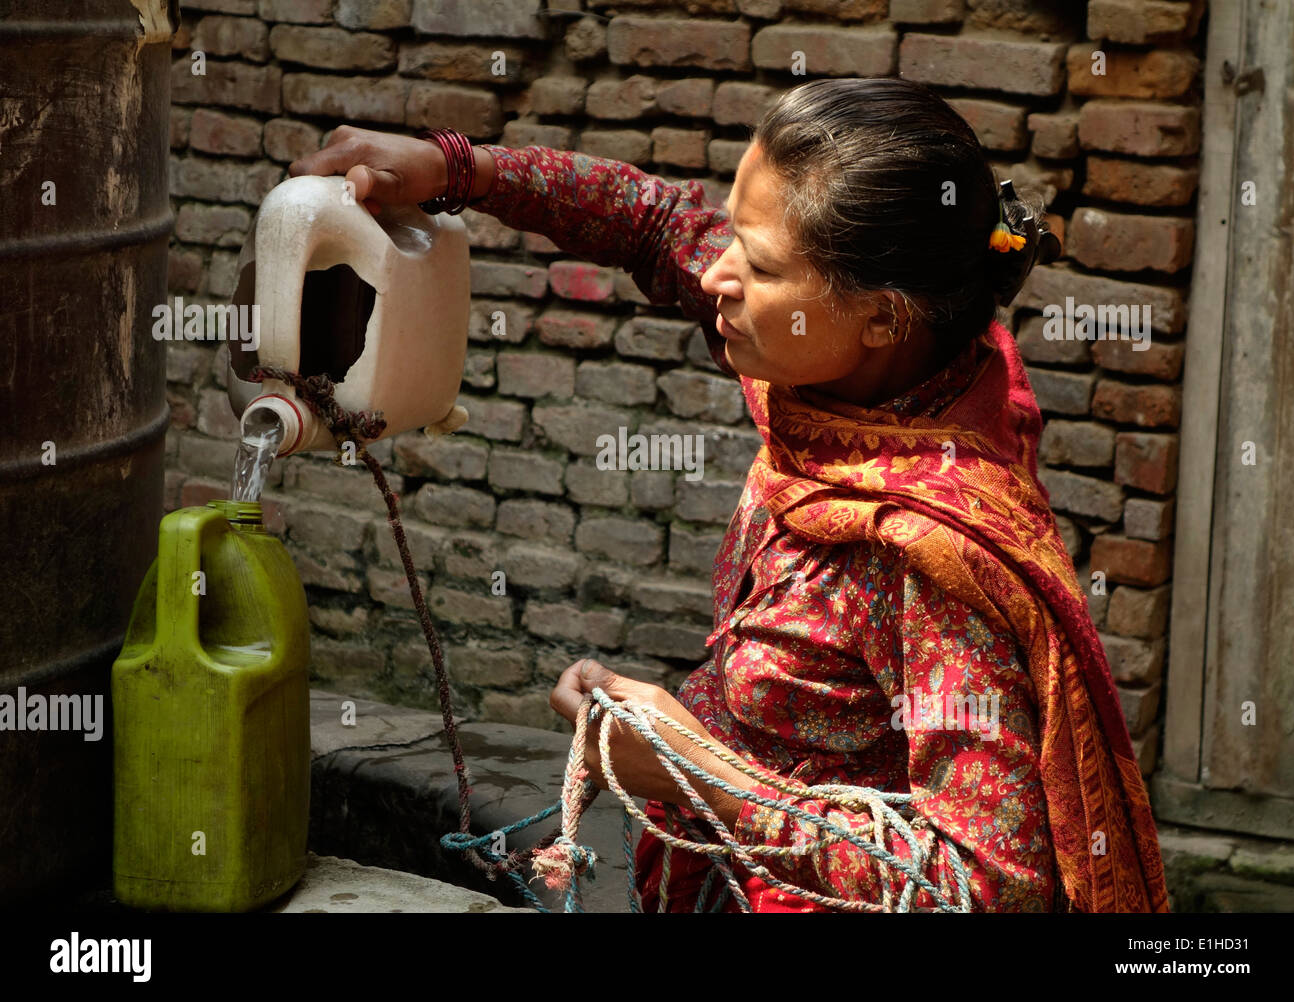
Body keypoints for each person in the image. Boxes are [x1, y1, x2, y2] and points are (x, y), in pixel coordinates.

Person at [289, 76, 1168, 913]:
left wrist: (695, 771)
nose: (717, 275)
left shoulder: (932, 565)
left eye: (761, 262)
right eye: (736, 238)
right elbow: (653, 223)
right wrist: (456, 168)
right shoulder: (837, 385)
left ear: (882, 316)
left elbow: (981, 887)